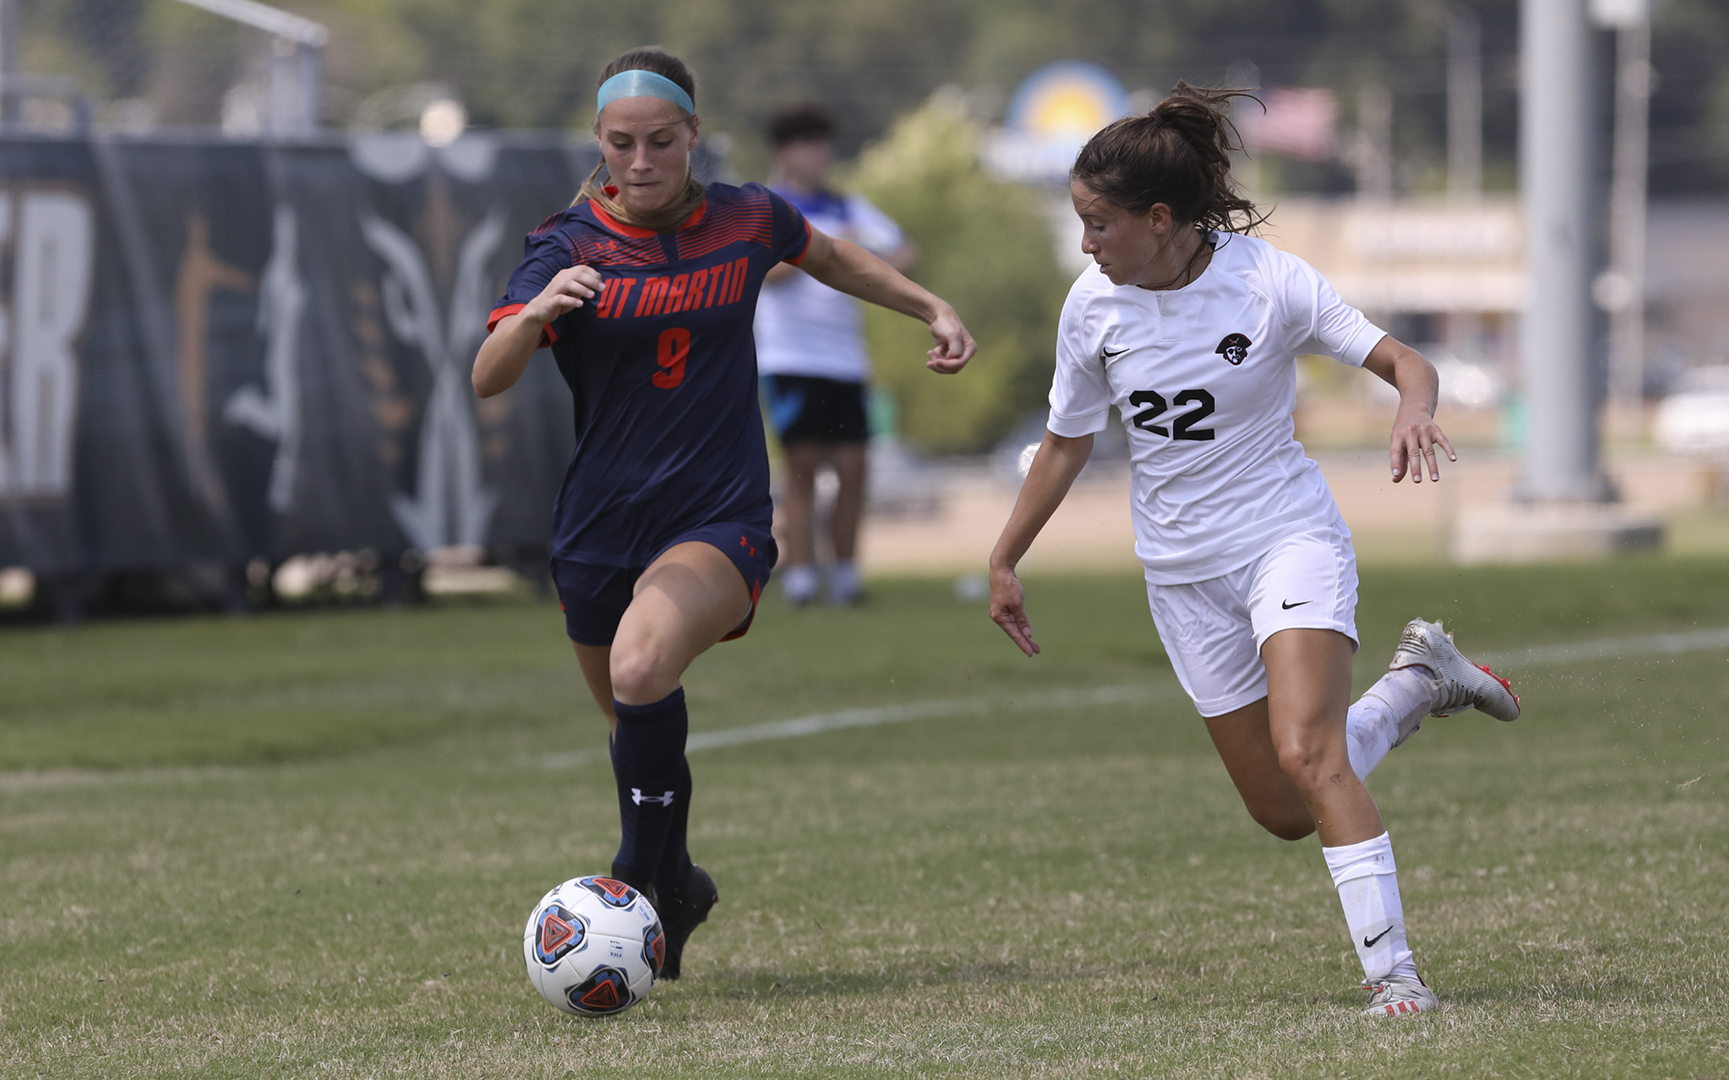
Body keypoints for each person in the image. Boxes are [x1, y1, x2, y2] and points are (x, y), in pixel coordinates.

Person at [985, 83, 1520, 1018]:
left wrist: (1414, 411)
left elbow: (1406, 362)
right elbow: (1069, 441)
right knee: (1283, 807)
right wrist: (1005, 557)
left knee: (1309, 755)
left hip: (1288, 540)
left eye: (1099, 224)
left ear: (1160, 219)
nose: (1086, 245)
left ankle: (1396, 977)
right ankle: (1422, 681)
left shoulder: (1269, 280)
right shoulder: (1091, 309)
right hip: (1183, 579)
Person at [474, 47, 976, 980]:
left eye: (661, 141)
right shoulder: (568, 243)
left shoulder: (746, 216)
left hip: (718, 514)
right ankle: (679, 883)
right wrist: (535, 309)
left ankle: (631, 886)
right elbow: (487, 374)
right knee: (635, 716)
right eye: (620, 144)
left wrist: (929, 306)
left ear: (693, 135)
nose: (640, 161)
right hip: (595, 530)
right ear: (599, 143)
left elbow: (830, 256)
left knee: (642, 661)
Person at [754, 104, 915, 606]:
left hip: (846, 360)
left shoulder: (846, 207)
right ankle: (801, 580)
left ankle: (846, 579)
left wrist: (857, 260)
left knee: (854, 470)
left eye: (823, 143)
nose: (819, 154)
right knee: (802, 469)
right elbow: (760, 272)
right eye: (807, 144)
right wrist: (819, 257)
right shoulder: (771, 207)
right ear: (784, 153)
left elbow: (903, 250)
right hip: (791, 358)